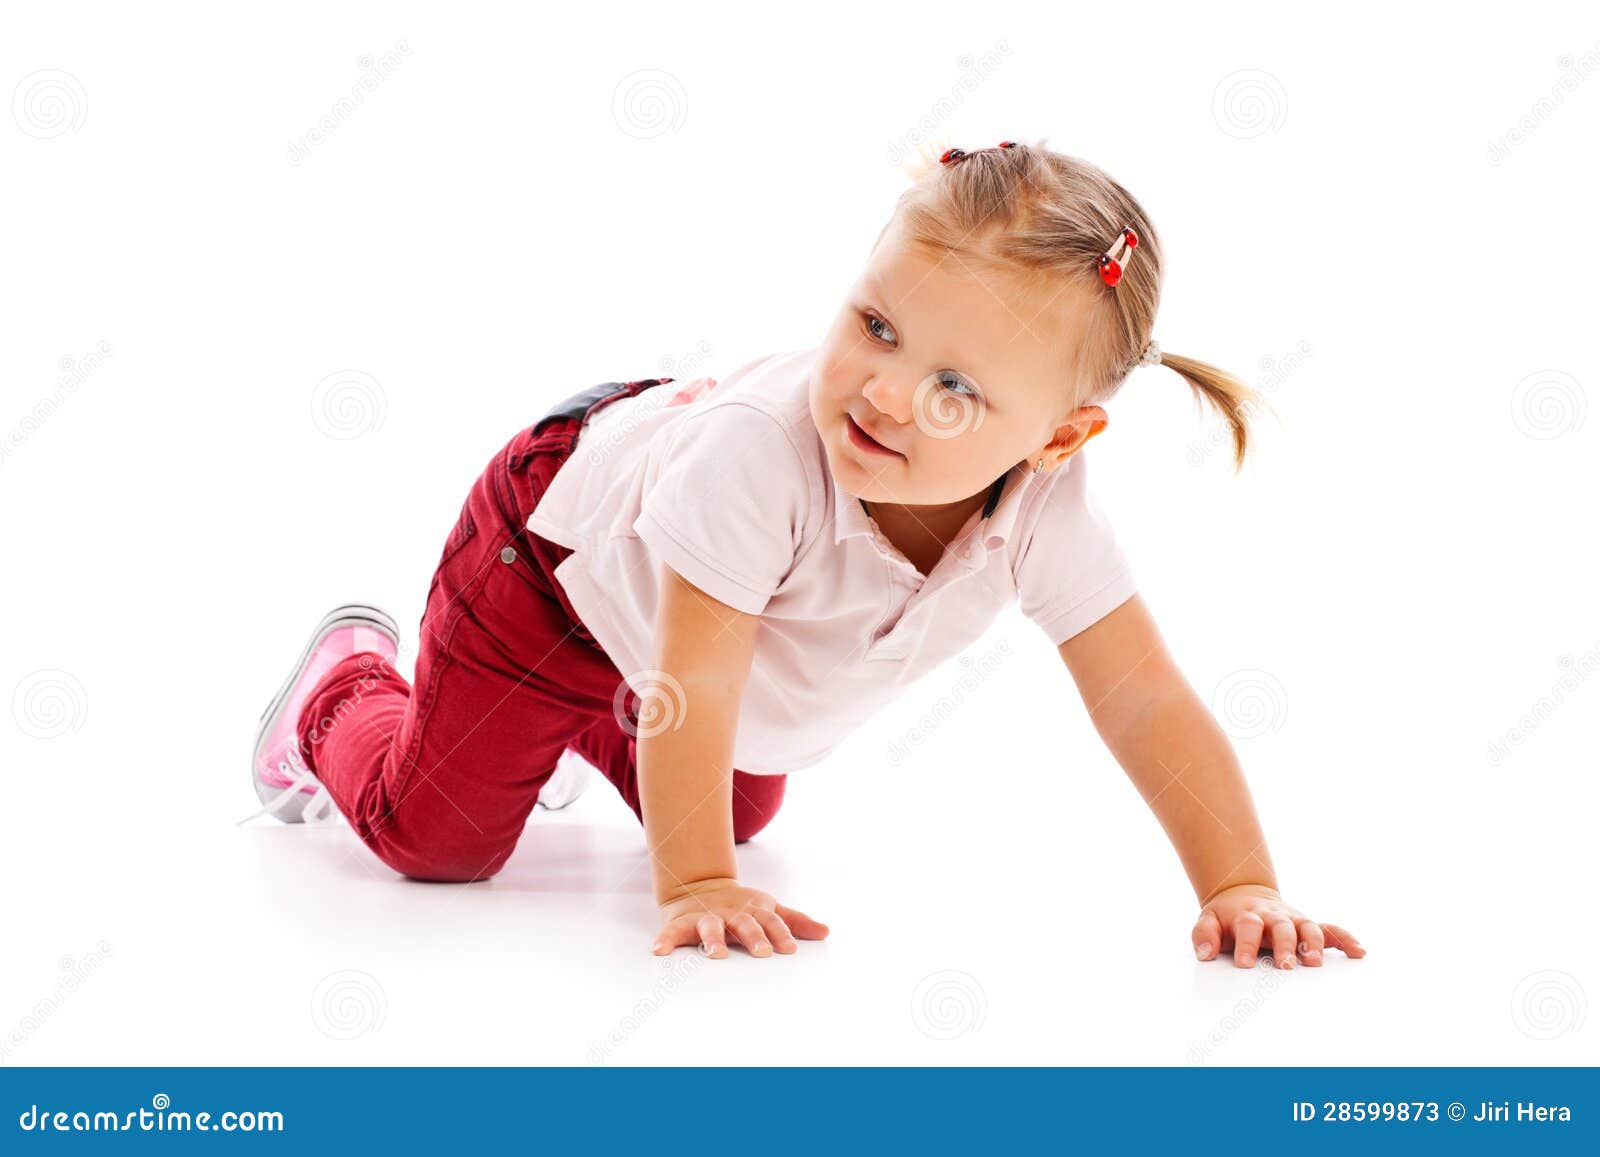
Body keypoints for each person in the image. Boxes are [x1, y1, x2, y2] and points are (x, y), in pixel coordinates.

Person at [249, 139, 1365, 969]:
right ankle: (340, 690)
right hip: (550, 562)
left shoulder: (1045, 507)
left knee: (737, 808)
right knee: (437, 838)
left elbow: (1145, 701)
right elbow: (694, 684)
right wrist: (694, 886)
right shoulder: (763, 456)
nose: (883, 392)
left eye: (955, 387)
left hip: (677, 623)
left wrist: (1242, 882)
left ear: (1057, 436)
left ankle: (541, 732)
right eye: (877, 326)